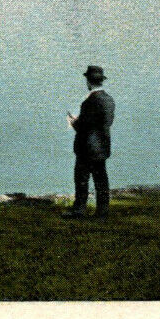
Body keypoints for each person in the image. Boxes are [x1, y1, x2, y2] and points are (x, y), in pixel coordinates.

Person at [64, 65, 115, 219]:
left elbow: (83, 127)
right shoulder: (109, 100)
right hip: (102, 147)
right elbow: (106, 123)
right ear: (101, 80)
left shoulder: (89, 102)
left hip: (86, 148)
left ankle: (79, 210)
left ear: (88, 81)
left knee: (81, 180)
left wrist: (73, 122)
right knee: (101, 181)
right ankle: (102, 211)